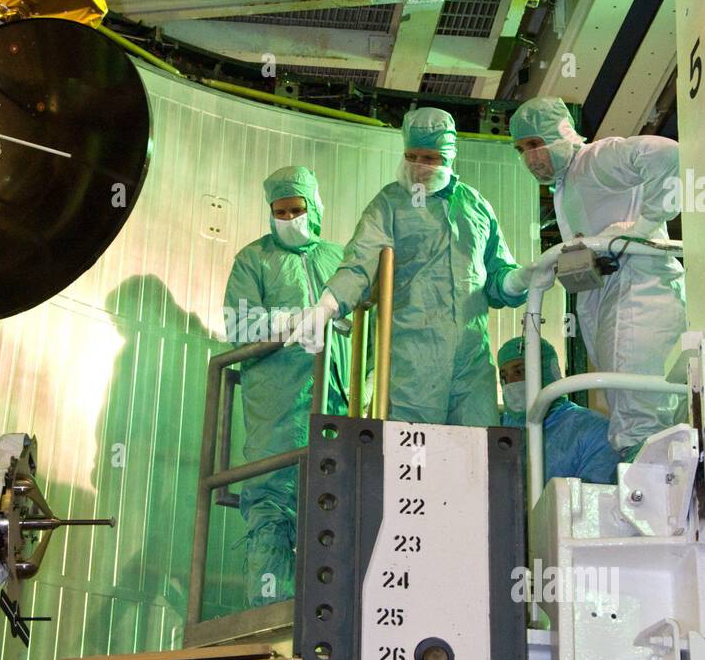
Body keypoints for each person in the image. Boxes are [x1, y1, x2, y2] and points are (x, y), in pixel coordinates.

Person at [286, 106, 532, 426]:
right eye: (412, 156)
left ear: (449, 156)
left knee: (475, 455)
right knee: (413, 461)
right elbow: (360, 261)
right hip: (411, 362)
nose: (419, 168)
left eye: (430, 159)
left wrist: (519, 279)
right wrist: (327, 305)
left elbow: (497, 277)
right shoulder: (389, 203)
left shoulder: (476, 207)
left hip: (472, 365)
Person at [509, 97, 686, 458]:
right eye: (521, 149)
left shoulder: (594, 160)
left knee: (643, 421)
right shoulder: (568, 185)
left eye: (534, 144)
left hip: (641, 294)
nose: (530, 157)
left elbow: (669, 155)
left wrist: (642, 228)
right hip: (617, 298)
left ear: (560, 133)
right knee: (638, 417)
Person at [223, 166, 350, 608]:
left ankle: (328, 613)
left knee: (335, 507)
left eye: (297, 209)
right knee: (271, 512)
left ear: (314, 208)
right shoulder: (254, 259)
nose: (290, 218)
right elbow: (238, 324)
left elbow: (366, 314)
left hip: (337, 401)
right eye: (280, 212)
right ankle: (271, 620)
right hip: (276, 405)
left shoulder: (340, 258)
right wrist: (289, 322)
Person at [498, 335, 621, 484]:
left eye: (519, 372)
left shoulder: (593, 430)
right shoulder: (500, 428)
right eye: (504, 377)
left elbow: (595, 499)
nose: (510, 384)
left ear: (546, 372)